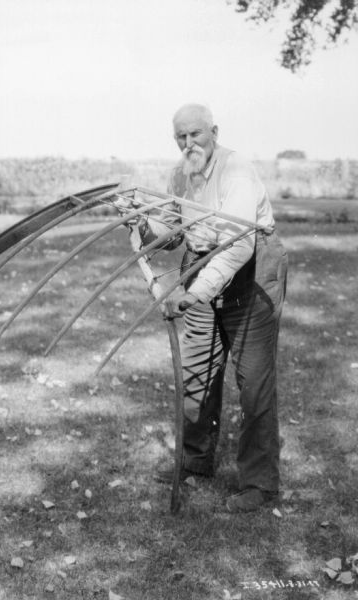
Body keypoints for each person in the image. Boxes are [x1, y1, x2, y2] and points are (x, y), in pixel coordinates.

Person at [140, 103, 288, 512]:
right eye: (180, 137)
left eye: (196, 135)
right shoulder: (179, 174)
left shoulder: (236, 171)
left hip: (250, 271)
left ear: (214, 132)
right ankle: (194, 460)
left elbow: (237, 244)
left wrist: (195, 292)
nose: (189, 143)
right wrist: (142, 224)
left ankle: (260, 485)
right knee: (197, 373)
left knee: (254, 384)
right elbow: (172, 233)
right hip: (204, 272)